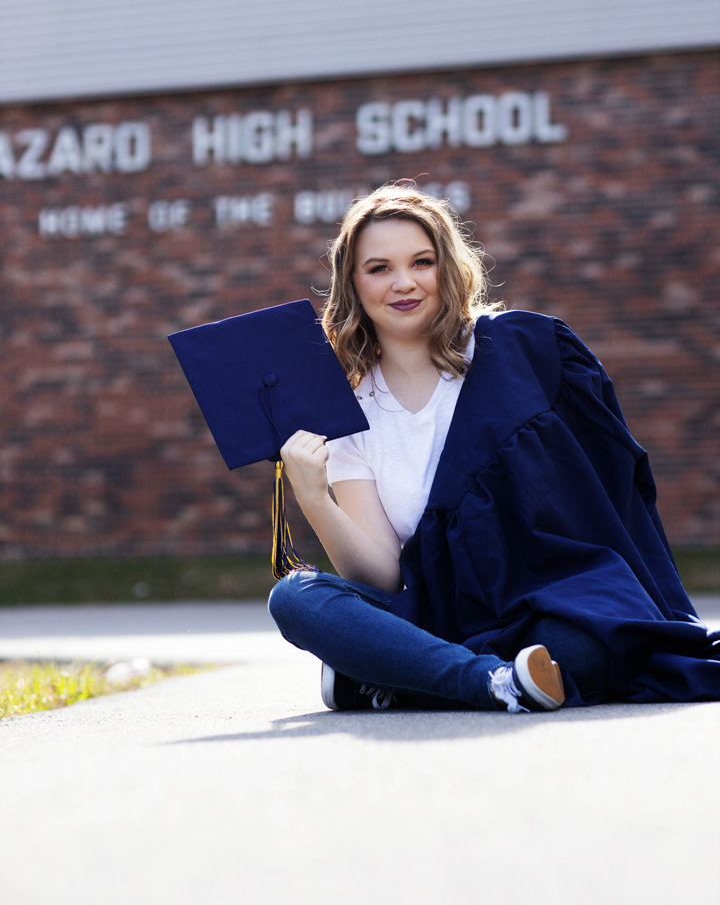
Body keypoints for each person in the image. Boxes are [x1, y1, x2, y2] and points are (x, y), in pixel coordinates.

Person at [268, 181, 720, 712]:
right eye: (379, 268)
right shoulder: (348, 413)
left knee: (589, 643)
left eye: (422, 262)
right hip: (439, 607)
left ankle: (399, 673)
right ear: (353, 283)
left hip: (547, 596)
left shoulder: (520, 355)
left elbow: (602, 492)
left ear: (448, 268)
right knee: (295, 598)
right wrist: (314, 498)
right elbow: (385, 575)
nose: (405, 283)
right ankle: (494, 682)